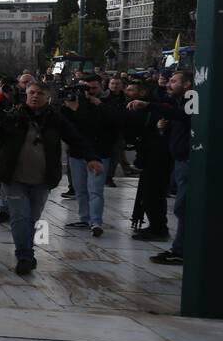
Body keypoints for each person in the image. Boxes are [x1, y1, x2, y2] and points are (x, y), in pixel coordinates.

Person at [0, 82, 104, 275]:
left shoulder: (55, 119)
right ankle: (25, 256)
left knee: (32, 218)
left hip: (42, 179)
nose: (35, 96)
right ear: (26, 95)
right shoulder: (14, 115)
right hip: (14, 177)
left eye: (40, 93)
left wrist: (92, 158)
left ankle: (27, 251)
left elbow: (76, 138)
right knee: (20, 216)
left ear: (48, 97)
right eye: (32, 93)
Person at [128, 70, 192, 265]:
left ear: (187, 84)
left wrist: (149, 105)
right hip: (179, 160)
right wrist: (165, 127)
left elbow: (185, 116)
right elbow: (179, 119)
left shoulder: (192, 97)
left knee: (183, 207)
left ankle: (181, 250)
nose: (168, 84)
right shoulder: (179, 100)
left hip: (188, 161)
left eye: (174, 81)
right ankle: (179, 248)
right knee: (181, 207)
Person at [60, 74, 122, 237]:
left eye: (93, 88)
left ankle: (96, 221)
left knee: (95, 190)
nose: (89, 92)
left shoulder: (109, 101)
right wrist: (70, 106)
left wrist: (99, 104)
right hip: (77, 153)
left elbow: (116, 120)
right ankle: (85, 218)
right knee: (80, 189)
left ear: (101, 86)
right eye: (86, 88)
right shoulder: (76, 102)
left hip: (100, 152)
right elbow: (67, 124)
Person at [124, 79, 171, 241]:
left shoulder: (154, 109)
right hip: (148, 156)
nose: (127, 92)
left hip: (158, 158)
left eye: (131, 90)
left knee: (154, 195)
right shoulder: (139, 108)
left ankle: (159, 228)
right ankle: (155, 226)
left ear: (142, 93)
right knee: (148, 194)